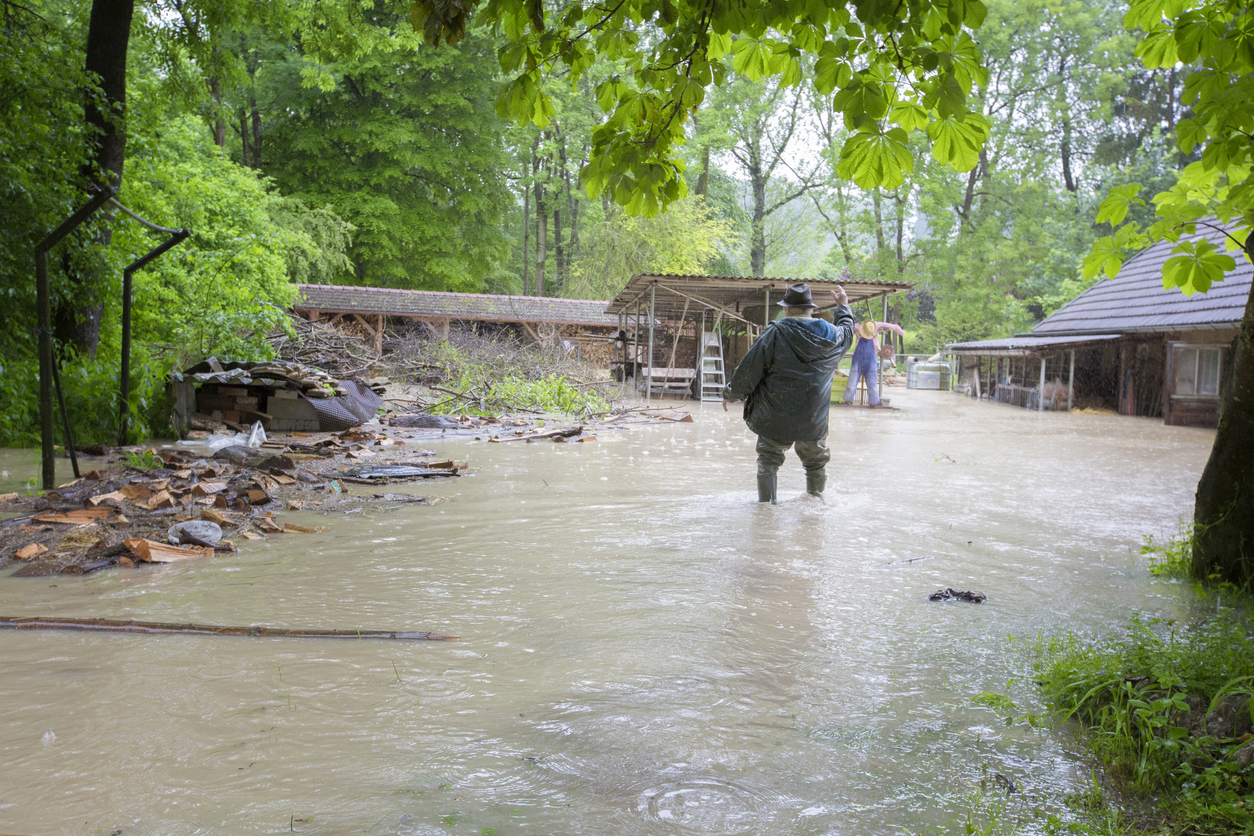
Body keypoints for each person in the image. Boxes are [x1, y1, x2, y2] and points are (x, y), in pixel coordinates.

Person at [722, 282, 854, 503]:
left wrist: (731, 393)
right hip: (813, 418)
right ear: (810, 308)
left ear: (787, 308)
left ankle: (766, 510)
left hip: (776, 416)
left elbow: (749, 369)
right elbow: (848, 332)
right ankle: (816, 504)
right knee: (816, 461)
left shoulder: (775, 333)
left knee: (768, 460)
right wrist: (843, 306)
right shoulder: (832, 336)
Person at [842, 319, 905, 407]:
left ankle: (873, 402)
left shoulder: (876, 325)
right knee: (852, 380)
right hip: (858, 358)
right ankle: (847, 400)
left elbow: (893, 326)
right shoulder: (857, 326)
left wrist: (901, 332)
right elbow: (845, 330)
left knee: (872, 382)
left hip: (871, 357)